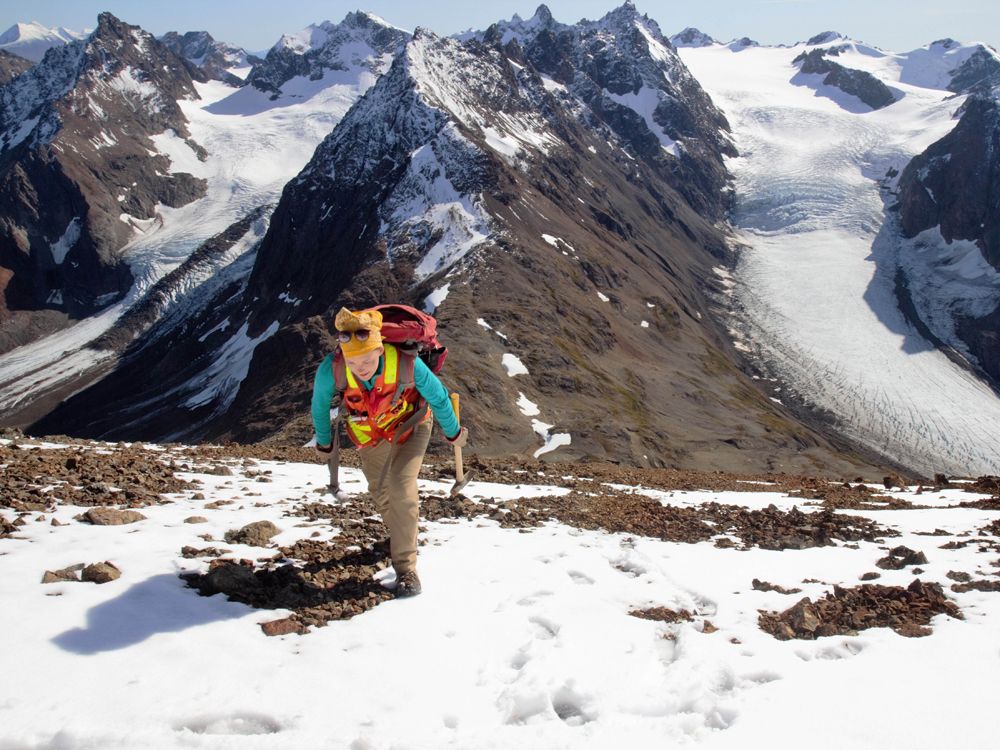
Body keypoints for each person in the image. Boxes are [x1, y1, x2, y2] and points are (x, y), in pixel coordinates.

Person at [311, 307, 468, 597]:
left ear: (380, 349)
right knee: (381, 492)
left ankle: (406, 568)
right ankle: (400, 534)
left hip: (411, 424)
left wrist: (453, 431)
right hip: (369, 432)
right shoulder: (330, 369)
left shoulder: (408, 364)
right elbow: (319, 407)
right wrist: (324, 443)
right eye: (354, 360)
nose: (361, 367)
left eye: (368, 358)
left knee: (401, 485)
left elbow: (438, 396)